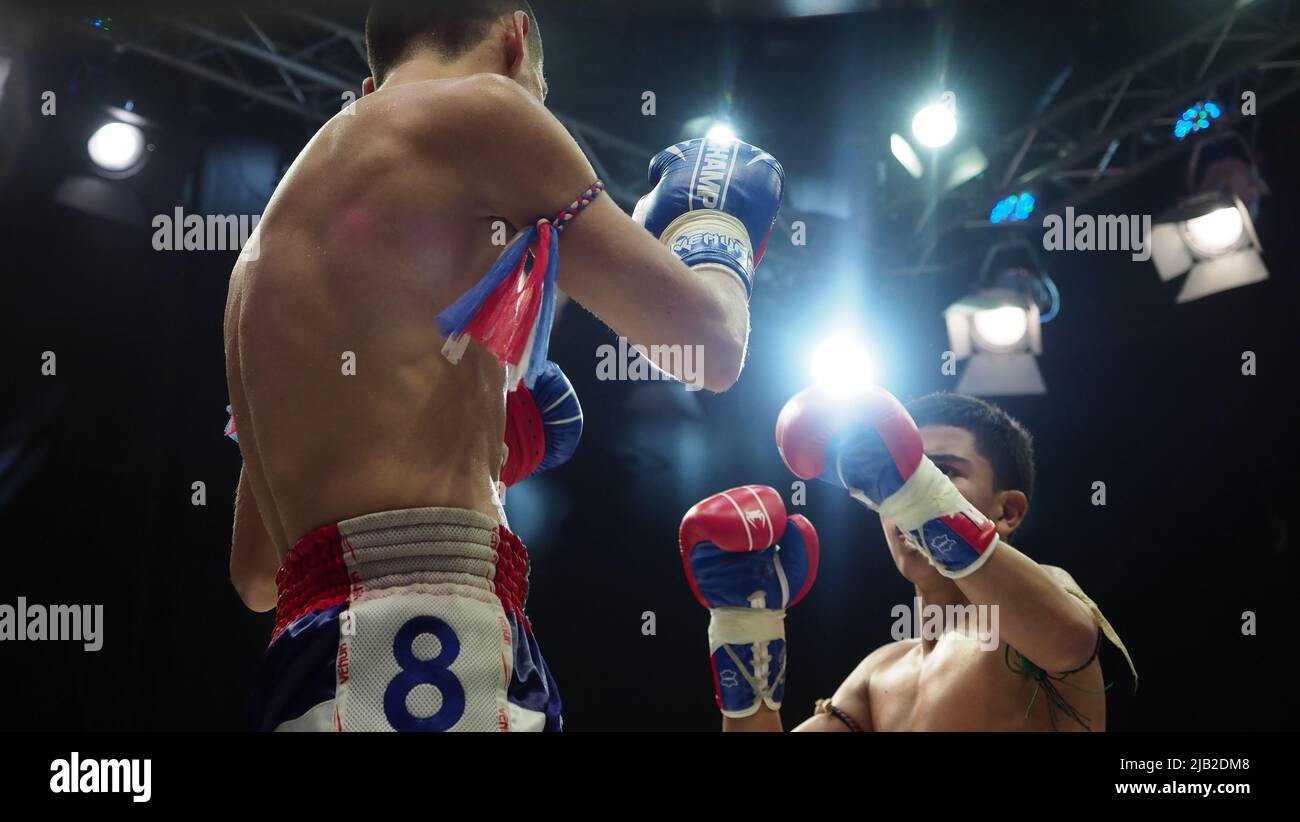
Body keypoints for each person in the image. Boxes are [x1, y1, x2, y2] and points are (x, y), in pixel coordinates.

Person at [224, 0, 784, 731]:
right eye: (542, 94)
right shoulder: (483, 108)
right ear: (516, 41)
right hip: (422, 651)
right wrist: (715, 230)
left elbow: (258, 575)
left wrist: (464, 456)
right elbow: (711, 348)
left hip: (308, 667)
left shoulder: (263, 253)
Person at [678, 388, 1134, 731]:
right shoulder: (881, 672)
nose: (891, 494)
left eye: (943, 471)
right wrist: (743, 628)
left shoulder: (1034, 620)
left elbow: (1070, 640)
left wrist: (920, 496)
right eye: (888, 479)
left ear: (1007, 511)